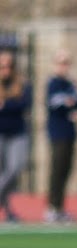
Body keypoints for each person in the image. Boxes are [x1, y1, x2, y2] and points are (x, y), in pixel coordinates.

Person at [44, 49, 77, 224]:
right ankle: (52, 207)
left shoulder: (70, 84)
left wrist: (71, 103)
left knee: (67, 169)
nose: (64, 66)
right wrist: (69, 103)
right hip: (58, 132)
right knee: (57, 169)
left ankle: (60, 207)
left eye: (66, 63)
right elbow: (56, 104)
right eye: (61, 63)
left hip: (70, 132)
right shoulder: (53, 83)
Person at [0, 49, 31, 224]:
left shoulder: (22, 84)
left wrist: (6, 105)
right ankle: (9, 211)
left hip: (17, 133)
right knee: (2, 173)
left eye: (9, 66)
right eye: (2, 66)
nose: (6, 69)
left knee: (14, 169)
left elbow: (24, 104)